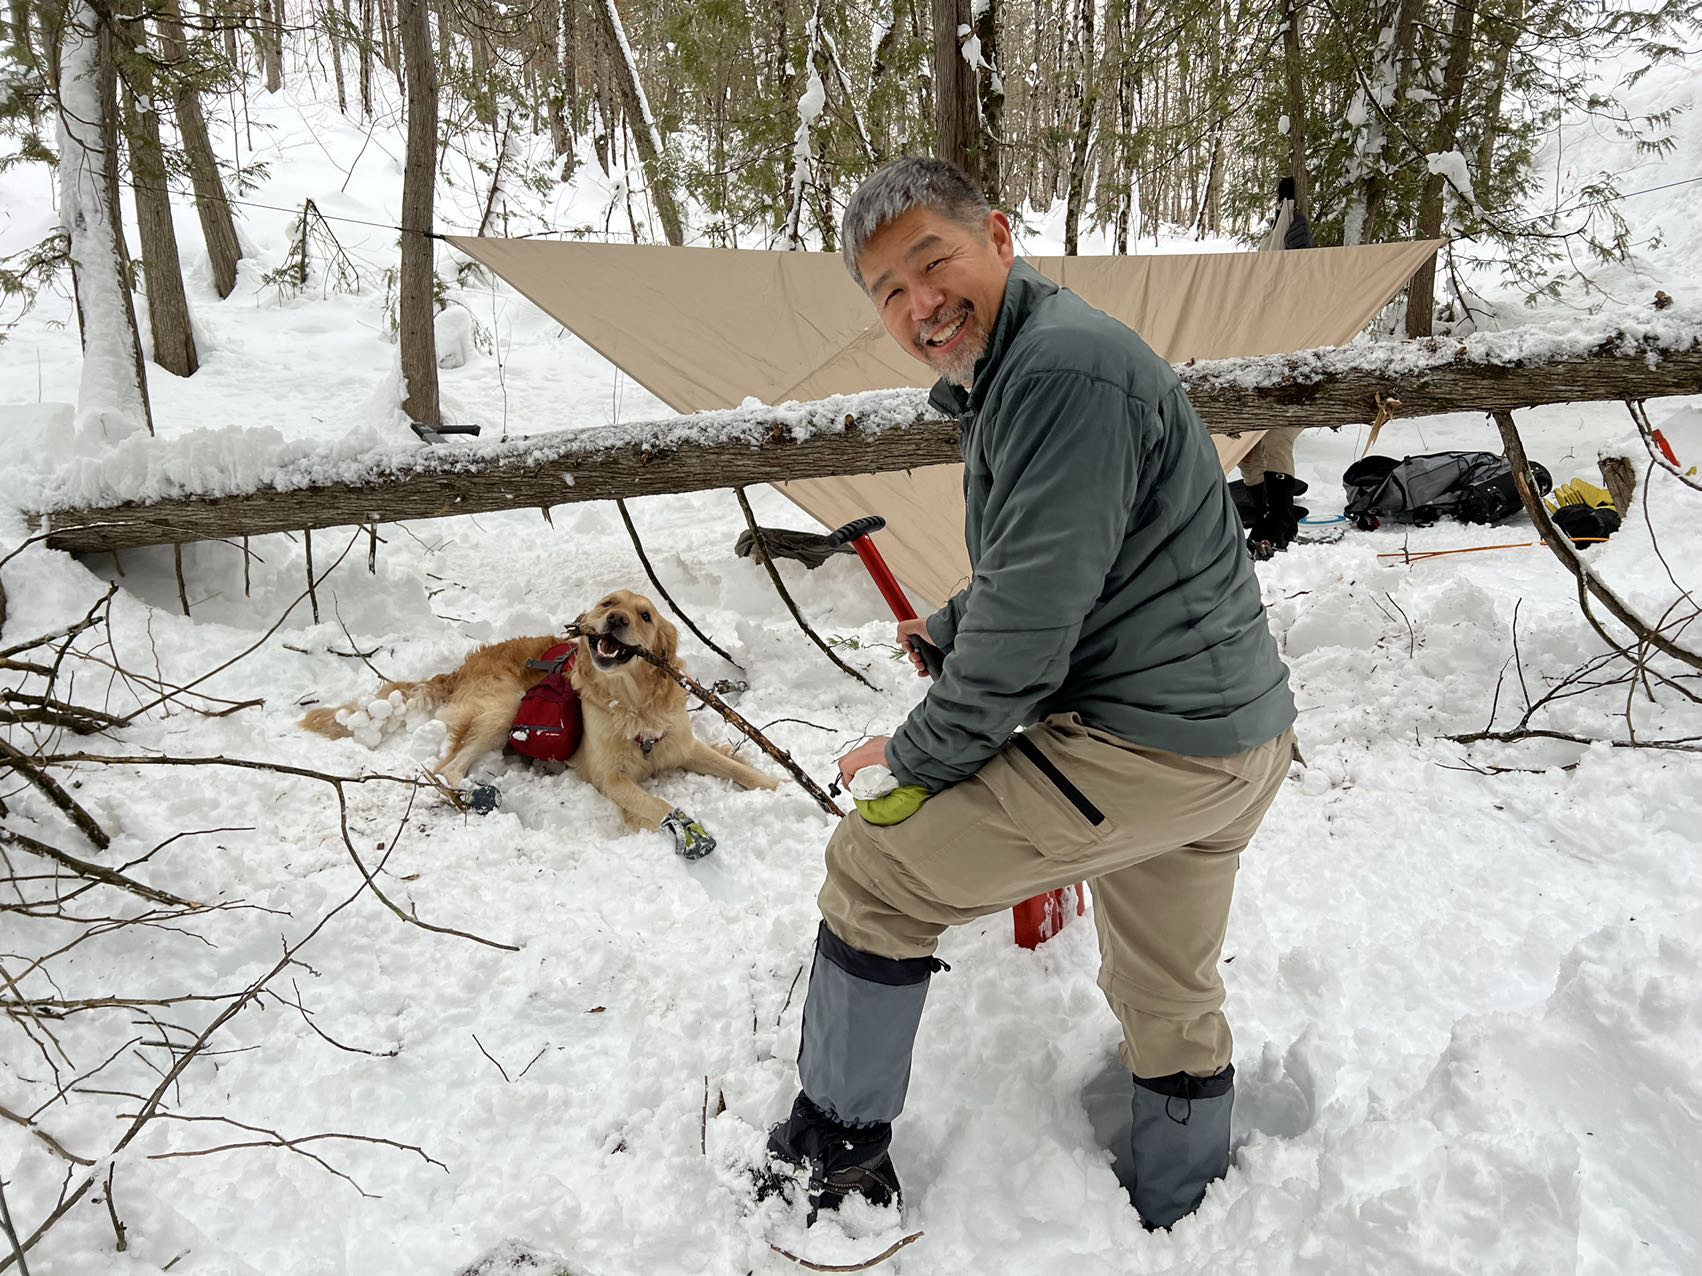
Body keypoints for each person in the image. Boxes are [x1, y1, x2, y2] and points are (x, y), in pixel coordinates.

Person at [763, 156, 1297, 1233]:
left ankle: (833, 1163)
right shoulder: (1034, 360)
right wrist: (950, 626)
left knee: (876, 872)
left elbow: (1029, 636)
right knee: (1167, 991)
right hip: (1230, 740)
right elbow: (1058, 558)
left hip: (1151, 743)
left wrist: (913, 757)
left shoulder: (1058, 371)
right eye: (890, 290)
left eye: (935, 261)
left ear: (998, 237)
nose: (922, 303)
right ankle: (1184, 1207)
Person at [1239, 175, 1316, 559]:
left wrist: (1304, 257)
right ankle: (1268, 515)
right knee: (1248, 450)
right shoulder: (1264, 268)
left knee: (1276, 440)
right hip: (1262, 372)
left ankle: (1282, 519)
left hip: (1297, 375)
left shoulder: (1303, 273)